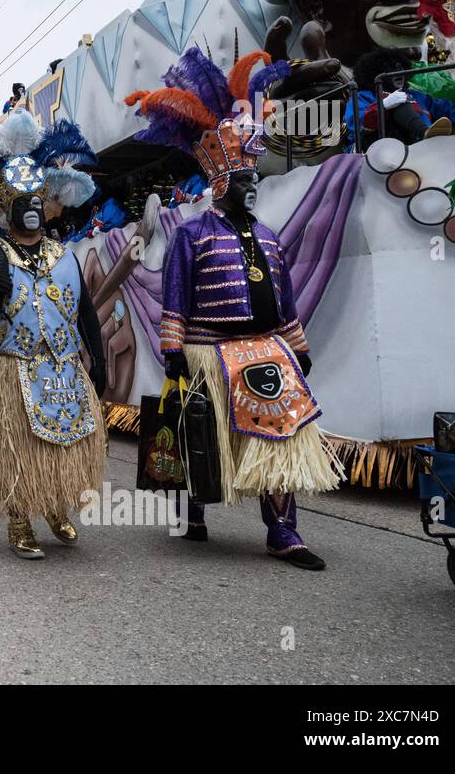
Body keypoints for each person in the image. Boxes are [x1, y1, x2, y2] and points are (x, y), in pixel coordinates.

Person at [127, 45, 345, 570]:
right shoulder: (191, 235)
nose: (253, 189)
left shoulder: (268, 237)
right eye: (245, 182)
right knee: (202, 432)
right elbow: (175, 296)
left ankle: (283, 531)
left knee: (283, 436)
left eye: (255, 182)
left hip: (267, 351)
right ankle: (193, 511)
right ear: (222, 184)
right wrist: (173, 351)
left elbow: (284, 298)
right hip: (208, 351)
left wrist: (299, 348)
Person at [0, 110, 107, 559]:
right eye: (22, 204)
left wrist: (100, 362)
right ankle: (19, 518)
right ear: (8, 209)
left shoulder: (64, 253)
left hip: (63, 365)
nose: (32, 210)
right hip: (11, 366)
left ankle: (55, 507)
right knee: (17, 445)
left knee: (66, 441)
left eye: (37, 202)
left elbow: (86, 311)